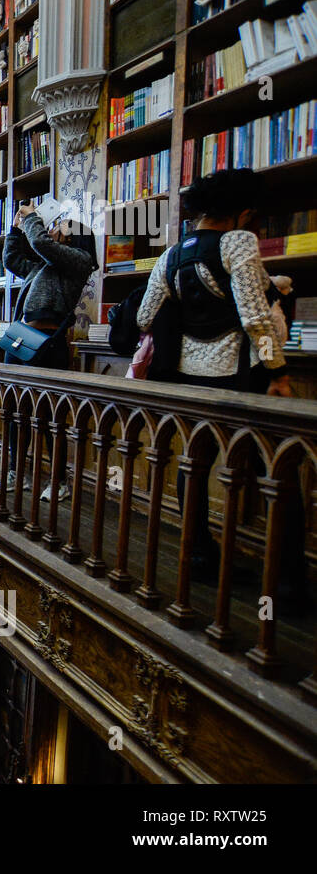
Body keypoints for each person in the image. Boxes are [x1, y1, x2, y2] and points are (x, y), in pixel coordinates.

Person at [136, 169, 301, 599]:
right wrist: (280, 374)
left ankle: (199, 557)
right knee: (275, 470)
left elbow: (144, 316)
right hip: (242, 376)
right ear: (243, 213)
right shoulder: (238, 241)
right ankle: (287, 580)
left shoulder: (171, 254)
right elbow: (253, 315)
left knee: (195, 465)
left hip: (188, 381)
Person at [0, 202, 99, 500]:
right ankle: (17, 473)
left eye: (61, 226)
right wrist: (16, 229)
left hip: (49, 341)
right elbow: (12, 258)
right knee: (17, 412)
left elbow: (40, 241)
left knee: (51, 416)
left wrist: (33, 219)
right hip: (23, 337)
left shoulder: (80, 260)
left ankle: (58, 480)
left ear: (73, 236)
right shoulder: (43, 266)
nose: (54, 229)